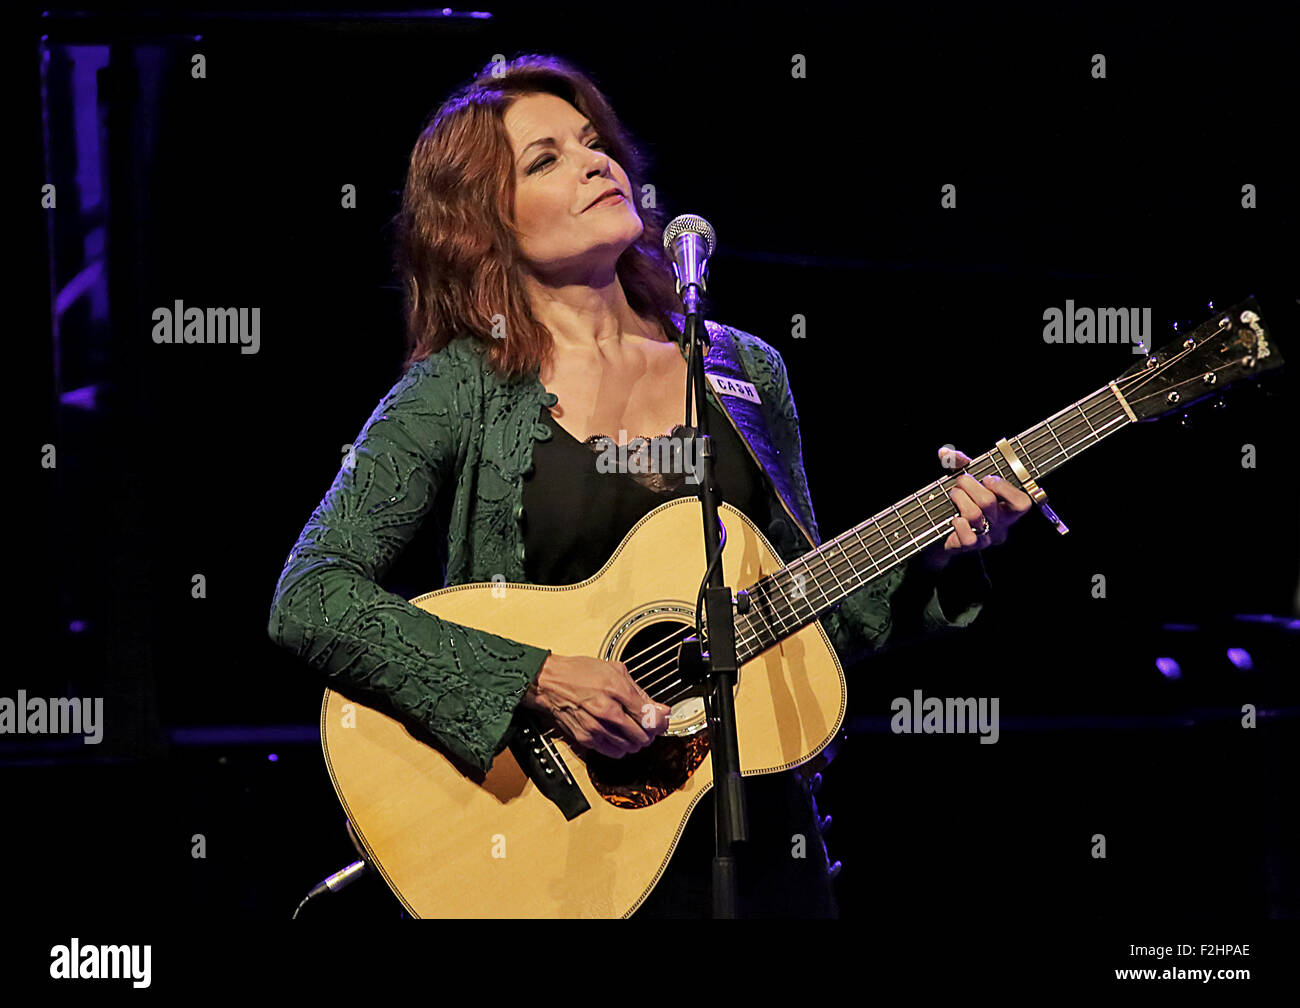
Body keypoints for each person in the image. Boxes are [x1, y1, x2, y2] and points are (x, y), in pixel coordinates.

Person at [266, 53, 1032, 918]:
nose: (597, 162)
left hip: (756, 835)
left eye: (595, 143)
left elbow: (814, 607)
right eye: (545, 159)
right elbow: (310, 596)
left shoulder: (742, 368)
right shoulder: (458, 388)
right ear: (482, 224)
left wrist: (938, 554)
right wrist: (538, 675)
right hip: (565, 842)